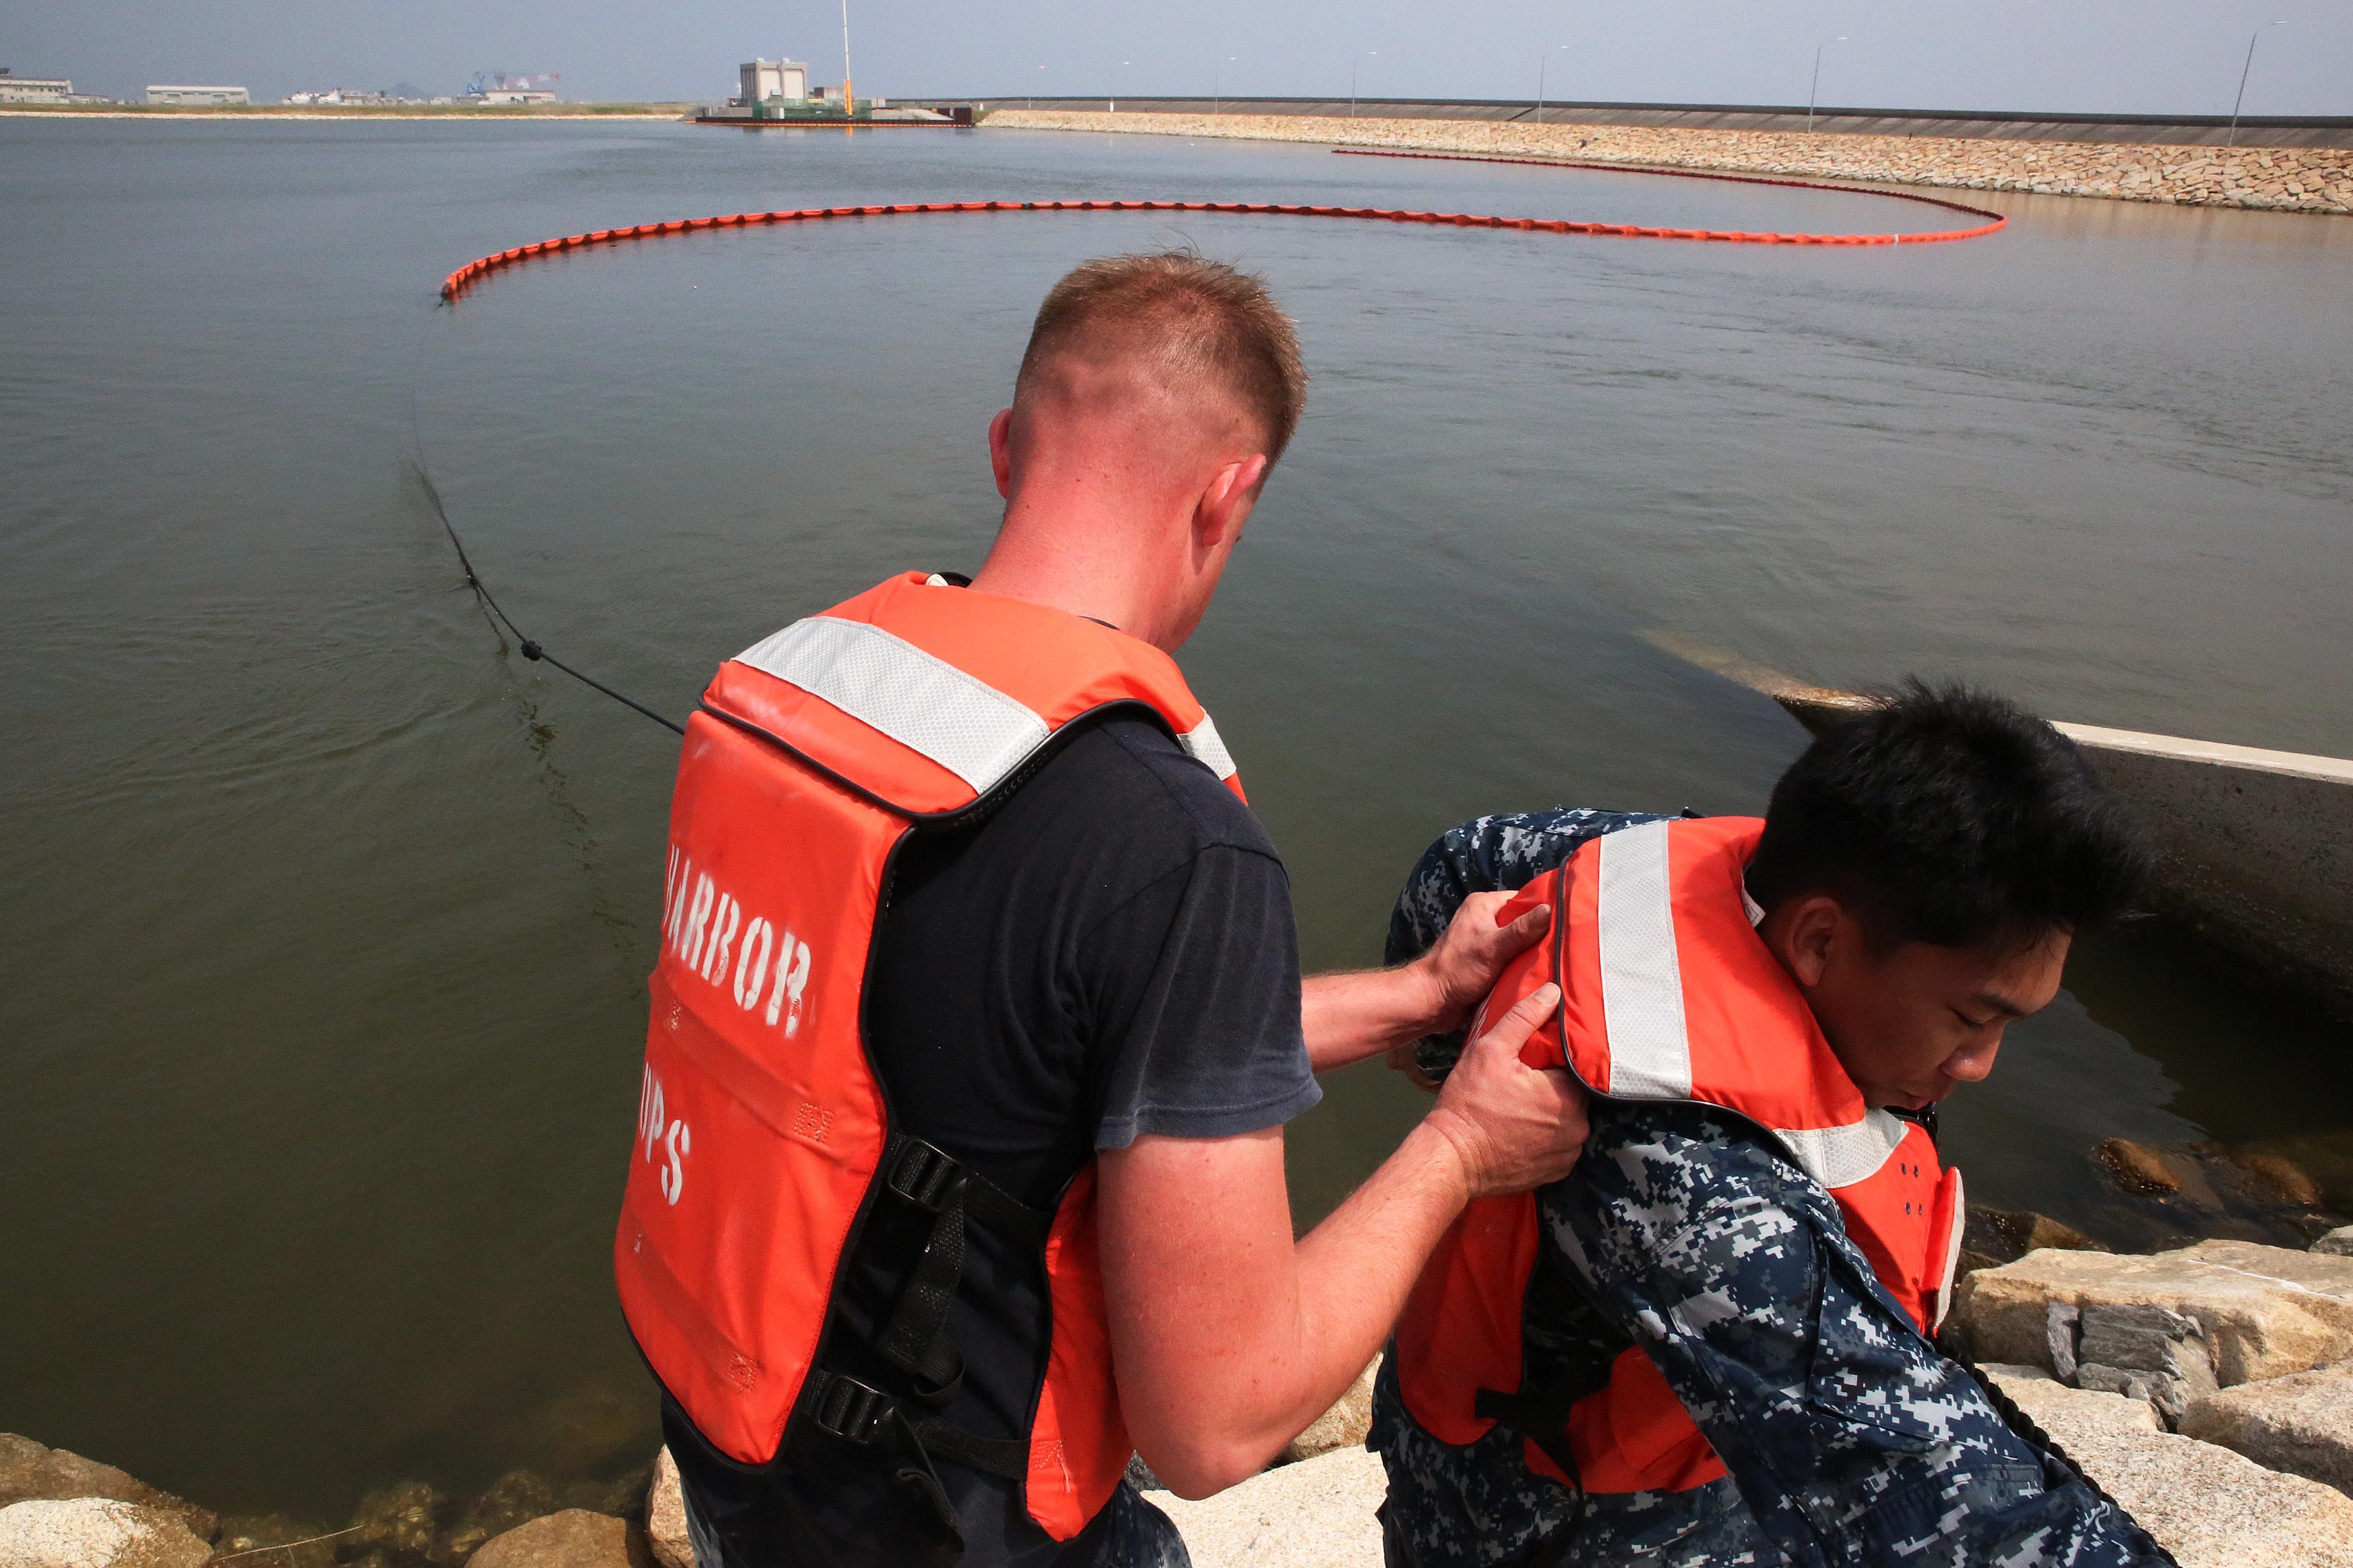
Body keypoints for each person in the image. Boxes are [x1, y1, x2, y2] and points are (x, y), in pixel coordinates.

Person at [612, 252, 1591, 1568]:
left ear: (1007, 447)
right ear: (1228, 496)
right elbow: (1217, 1422)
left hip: (744, 1442)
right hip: (949, 1524)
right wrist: (1464, 1145)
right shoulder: (1176, 847)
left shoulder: (784, 693)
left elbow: (1031, 1058)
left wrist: (1415, 996)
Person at [1371, 683, 2176, 1567]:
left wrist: (1441, 1040)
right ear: (1819, 942)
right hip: (1563, 1521)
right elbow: (1926, 1486)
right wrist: (1461, 1073)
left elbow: (1464, 860)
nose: (1980, 1064)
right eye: (1969, 1018)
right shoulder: (1680, 1169)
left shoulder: (1655, 859)